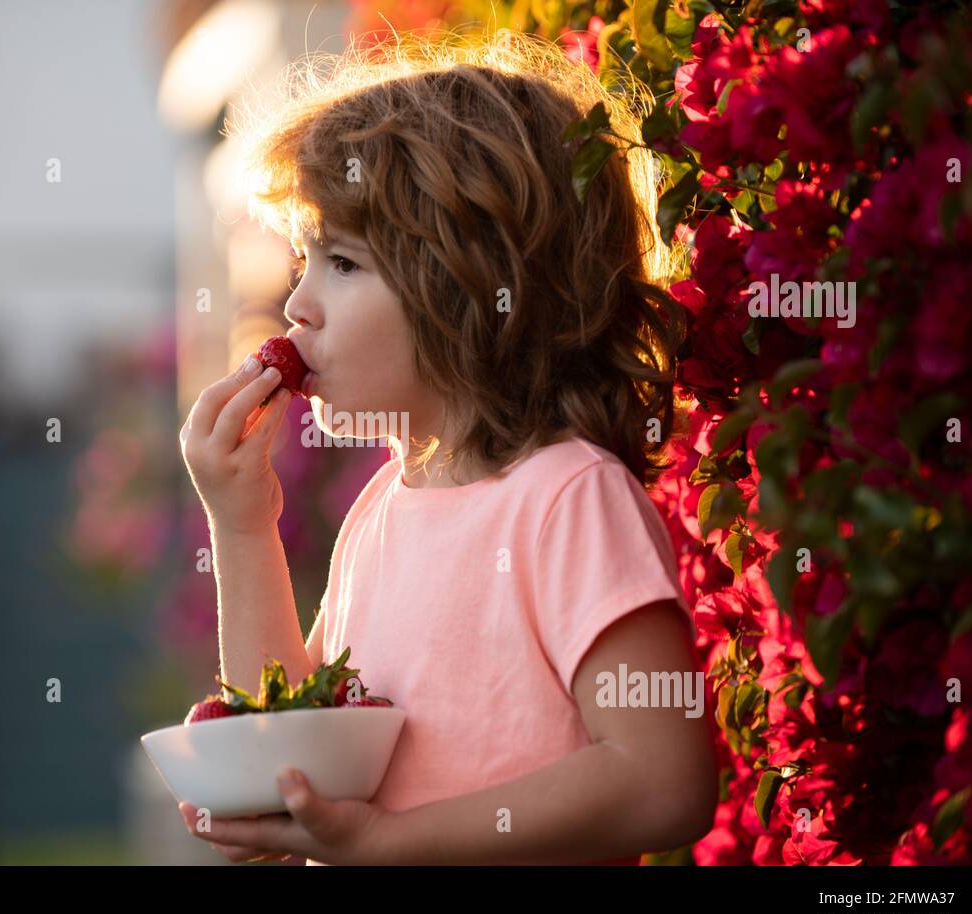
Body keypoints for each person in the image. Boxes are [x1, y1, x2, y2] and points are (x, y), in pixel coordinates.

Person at [176, 27, 717, 865]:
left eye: (344, 264)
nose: (298, 307)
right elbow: (291, 749)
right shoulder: (385, 510)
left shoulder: (569, 501)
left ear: (472, 285)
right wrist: (242, 527)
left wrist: (393, 842)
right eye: (303, 262)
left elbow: (662, 779)